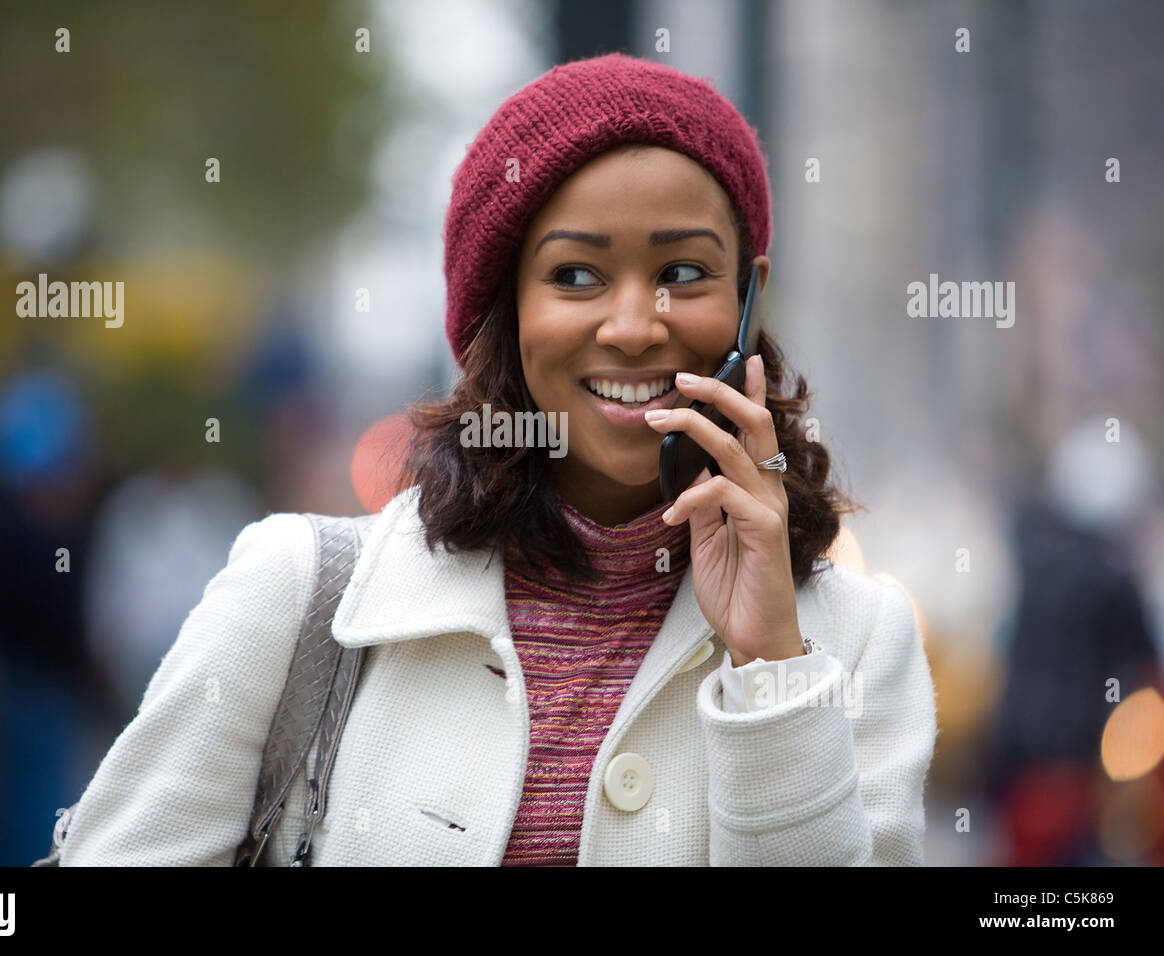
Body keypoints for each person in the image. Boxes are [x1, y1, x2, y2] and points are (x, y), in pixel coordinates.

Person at [58, 52, 938, 866]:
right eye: (576, 277)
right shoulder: (297, 597)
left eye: (682, 273)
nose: (634, 327)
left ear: (748, 300)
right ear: (502, 312)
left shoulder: (855, 642)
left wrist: (770, 671)